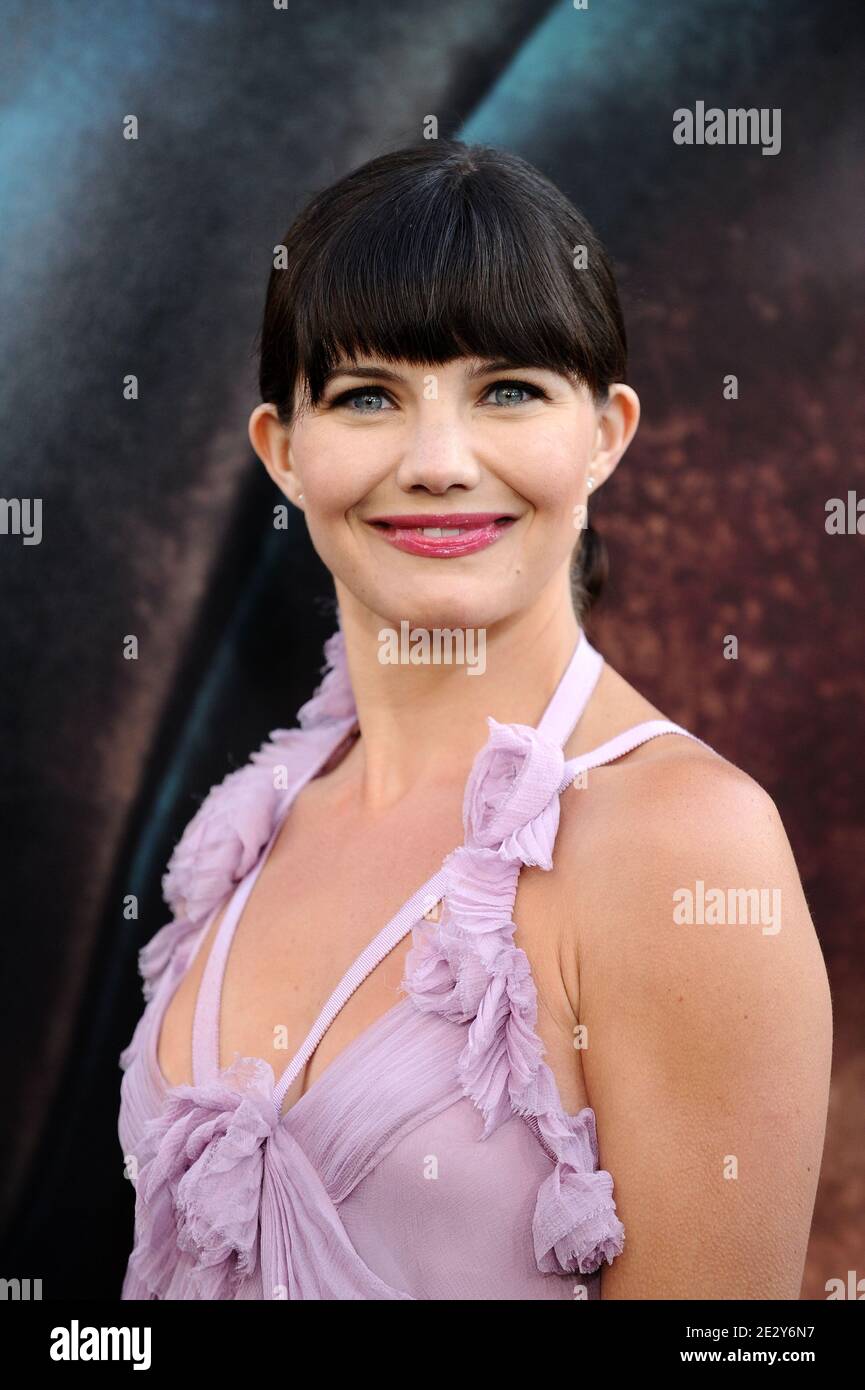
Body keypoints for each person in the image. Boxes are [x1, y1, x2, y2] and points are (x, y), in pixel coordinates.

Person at [118, 139, 832, 1300]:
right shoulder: (252, 821)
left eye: (508, 389)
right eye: (367, 397)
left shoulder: (687, 844)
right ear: (283, 452)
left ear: (603, 433)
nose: (440, 462)